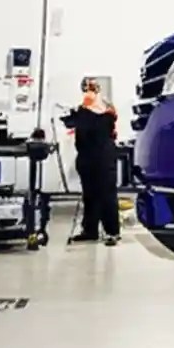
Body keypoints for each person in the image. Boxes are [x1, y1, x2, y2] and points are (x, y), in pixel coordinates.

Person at [61, 77, 121, 246]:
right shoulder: (105, 108)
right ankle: (92, 230)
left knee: (104, 194)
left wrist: (73, 116)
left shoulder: (92, 108)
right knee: (91, 195)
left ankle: (111, 231)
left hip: (99, 156)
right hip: (92, 156)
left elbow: (73, 122)